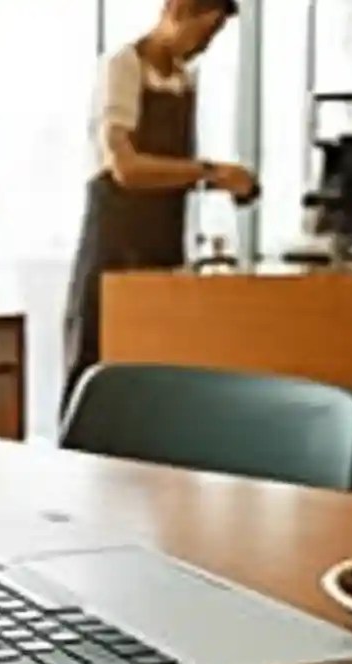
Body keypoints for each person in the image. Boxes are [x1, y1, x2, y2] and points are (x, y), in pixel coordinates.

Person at [61, 0, 256, 416]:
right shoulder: (123, 67)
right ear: (176, 10)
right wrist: (209, 172)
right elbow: (125, 168)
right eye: (204, 34)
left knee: (155, 380)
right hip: (115, 249)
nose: (205, 47)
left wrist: (214, 180)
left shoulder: (184, 80)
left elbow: (172, 172)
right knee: (97, 370)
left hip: (163, 250)